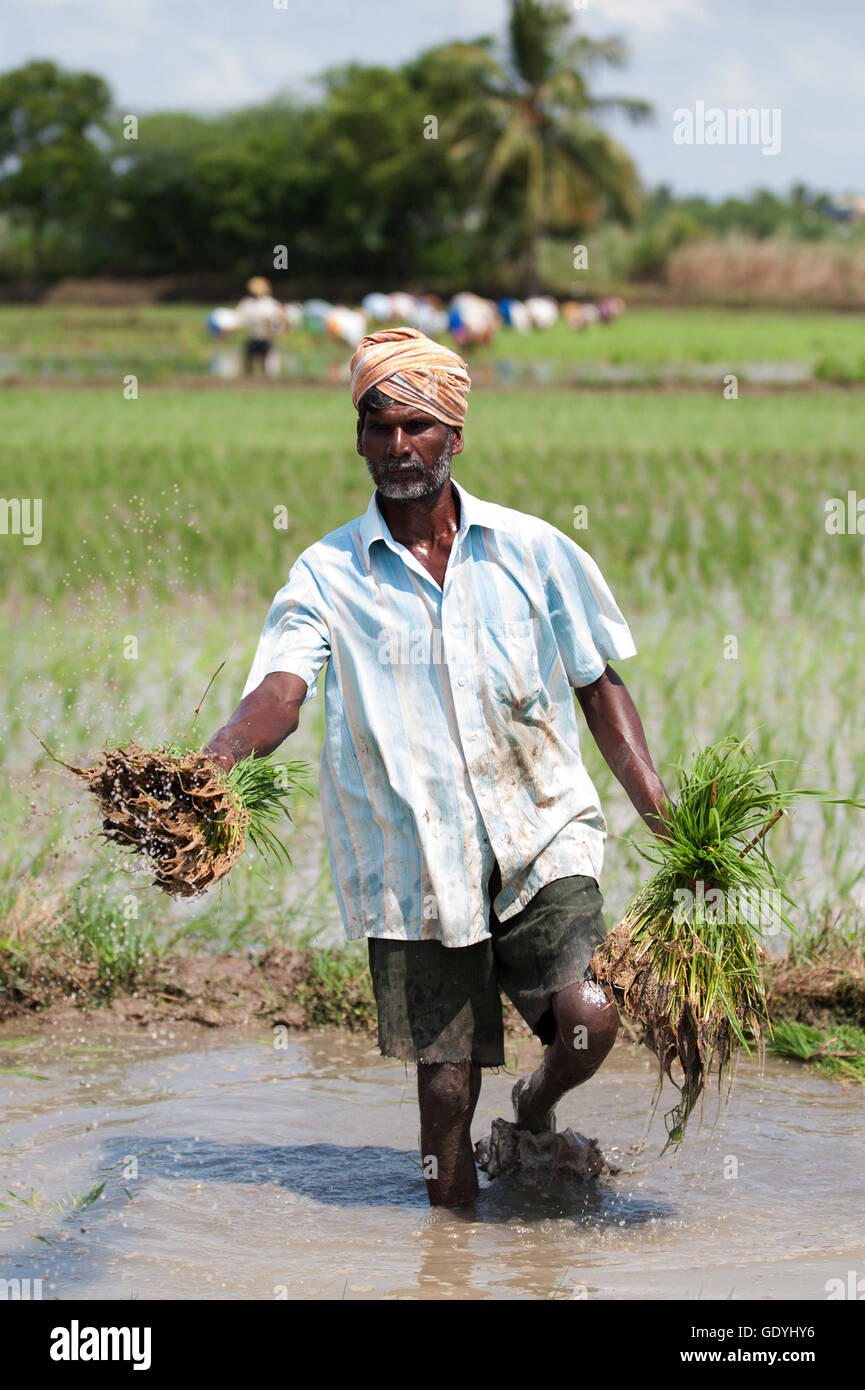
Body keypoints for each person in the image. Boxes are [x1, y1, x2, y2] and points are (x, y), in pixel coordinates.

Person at [204, 326, 674, 1208]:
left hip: (538, 830)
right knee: (445, 1095)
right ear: (358, 439)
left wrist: (661, 813)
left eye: (416, 427)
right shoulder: (326, 573)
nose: (396, 447)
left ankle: (533, 1111)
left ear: (454, 435)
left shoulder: (532, 550)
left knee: (587, 1019)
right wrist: (216, 760)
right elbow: (279, 691)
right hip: (412, 861)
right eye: (378, 428)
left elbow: (596, 684)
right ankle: (450, 1258)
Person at [235, 276, 284, 375]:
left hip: (266, 338)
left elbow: (278, 322)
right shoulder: (247, 303)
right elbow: (239, 318)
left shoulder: (270, 303)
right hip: (252, 337)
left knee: (266, 364)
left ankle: (266, 383)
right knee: (247, 362)